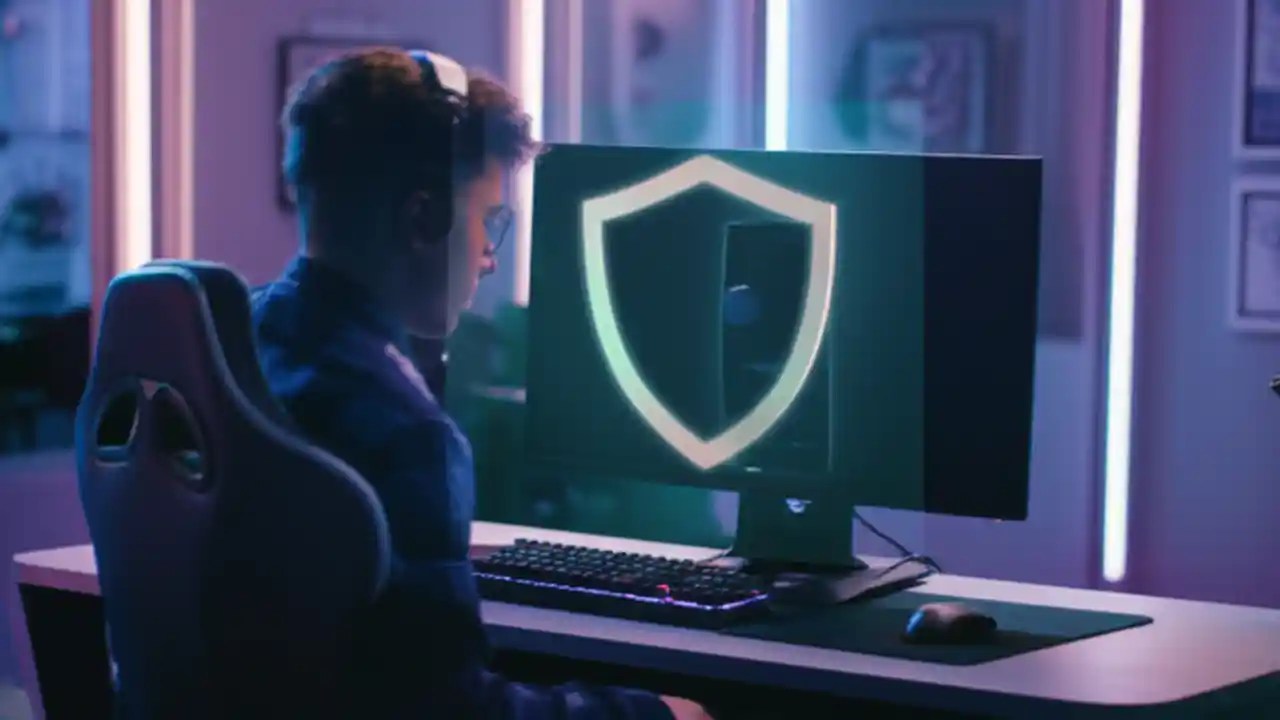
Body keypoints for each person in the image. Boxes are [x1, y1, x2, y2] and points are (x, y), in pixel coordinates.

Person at [251, 47, 713, 720]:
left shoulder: (239, 341)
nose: (491, 257)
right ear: (423, 218)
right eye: (490, 220)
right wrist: (653, 713)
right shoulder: (404, 432)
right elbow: (458, 712)